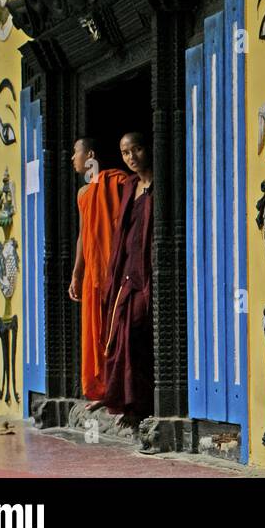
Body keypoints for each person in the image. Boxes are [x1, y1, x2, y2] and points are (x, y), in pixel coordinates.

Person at [97, 131, 155, 426]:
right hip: (128, 272)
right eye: (125, 153)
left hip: (150, 271)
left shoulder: (157, 184)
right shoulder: (129, 186)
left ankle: (142, 403)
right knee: (121, 336)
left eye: (137, 149)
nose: (132, 157)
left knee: (137, 334)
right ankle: (128, 404)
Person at [67, 137, 128, 402]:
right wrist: (76, 273)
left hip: (114, 266)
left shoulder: (118, 182)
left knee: (114, 328)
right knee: (94, 330)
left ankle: (116, 387)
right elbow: (83, 235)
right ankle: (100, 387)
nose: (72, 158)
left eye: (75, 152)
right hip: (92, 270)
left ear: (89, 154)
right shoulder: (83, 194)